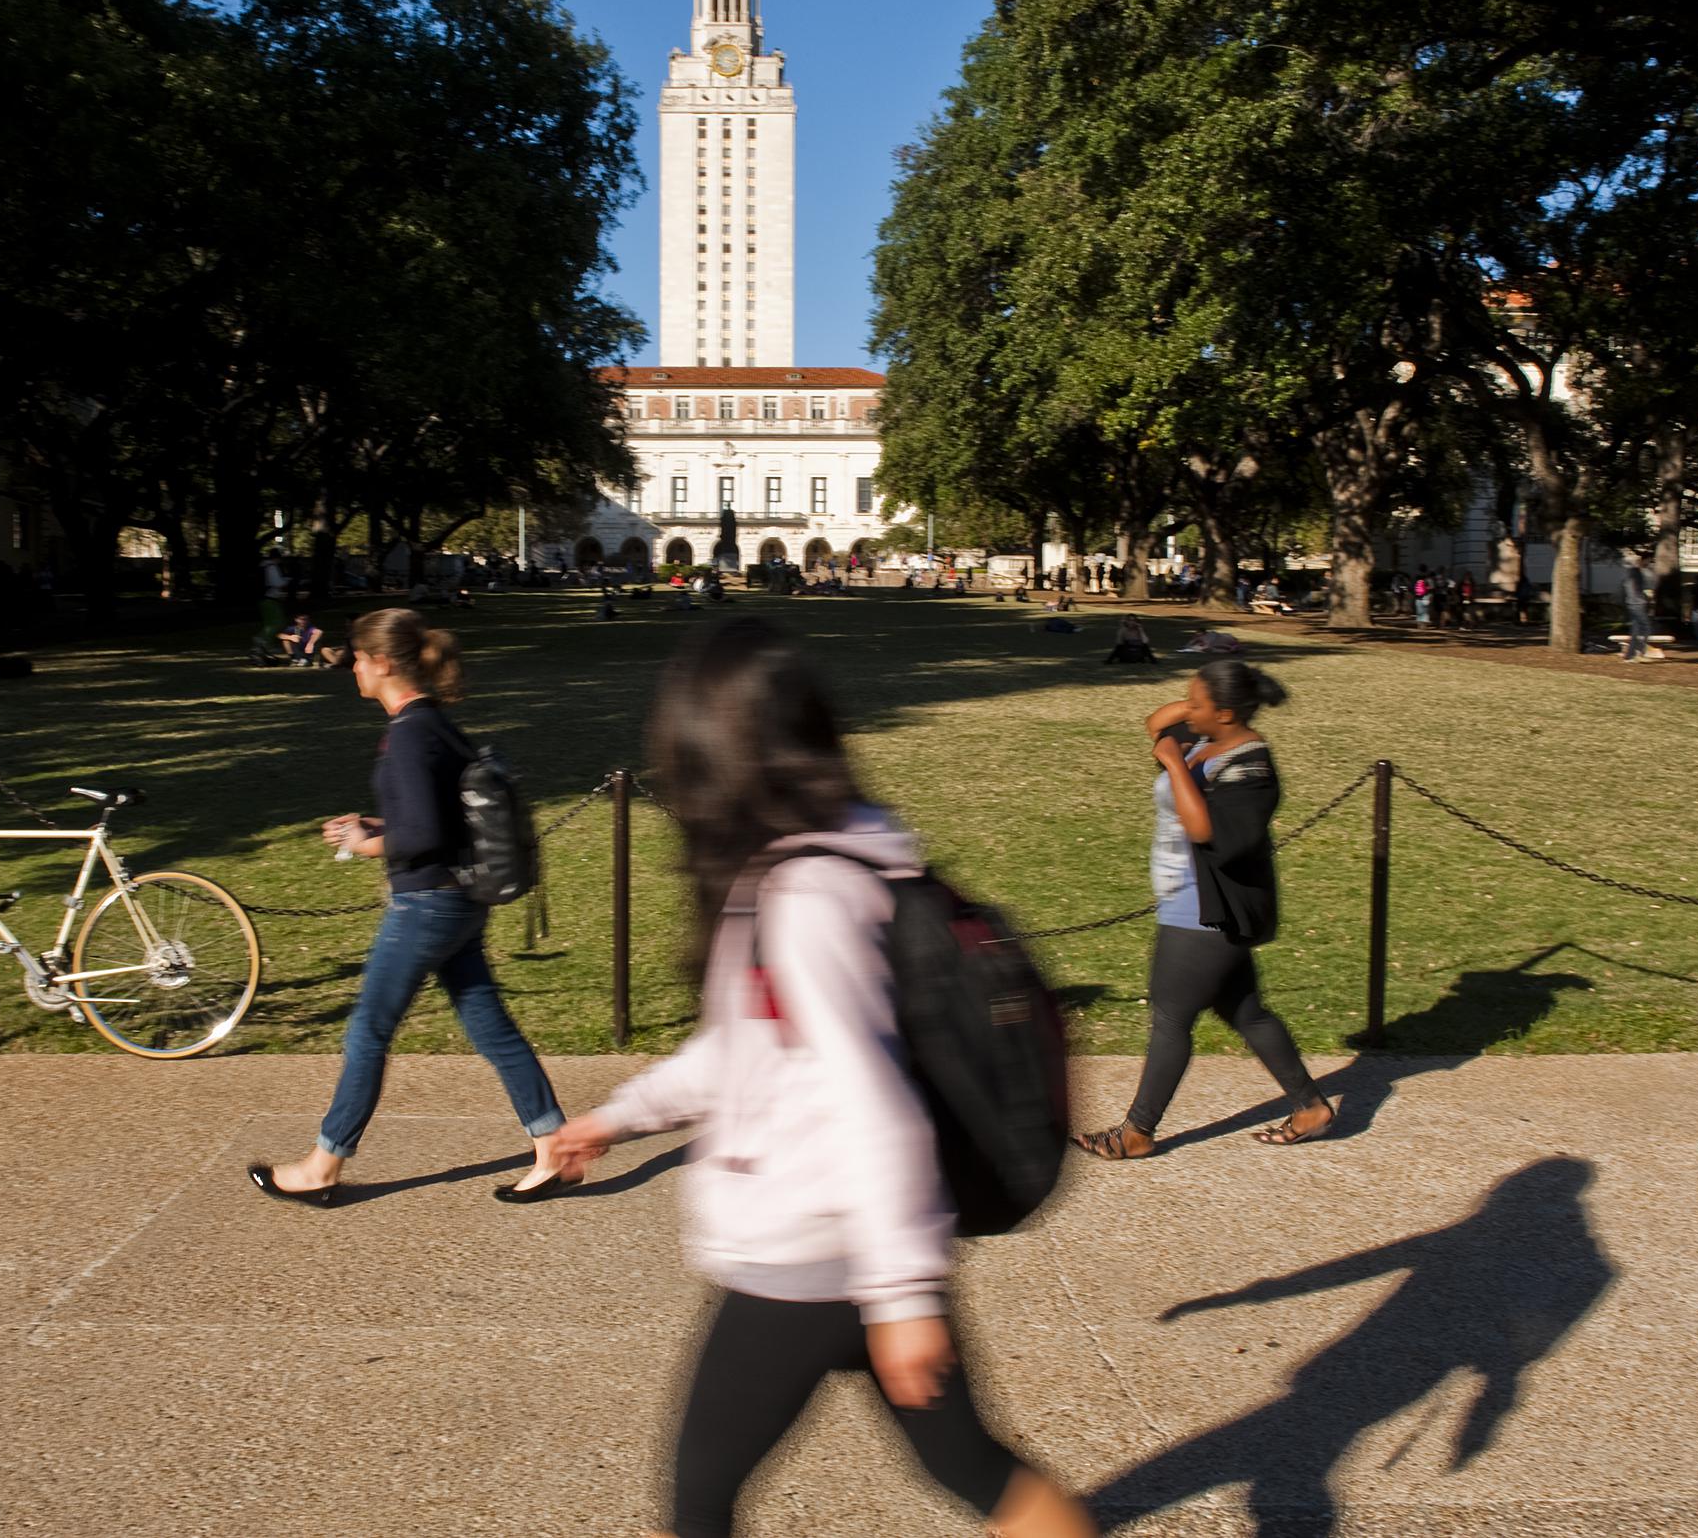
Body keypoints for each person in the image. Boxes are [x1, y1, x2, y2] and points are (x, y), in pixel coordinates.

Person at [545, 619, 1098, 1538]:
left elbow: (868, 1096)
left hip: (812, 1254)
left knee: (701, 1500)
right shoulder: (826, 862)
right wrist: (620, 1116)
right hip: (852, 1245)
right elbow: (746, 1050)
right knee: (973, 1467)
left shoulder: (806, 895)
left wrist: (902, 1293)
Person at [248, 609, 574, 1207]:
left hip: (426, 904)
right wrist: (378, 822)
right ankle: (554, 1147)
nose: (351, 666)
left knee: (368, 1030)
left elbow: (423, 833)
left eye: (357, 657)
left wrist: (365, 843)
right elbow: (443, 817)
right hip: (460, 900)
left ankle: (322, 1166)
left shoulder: (407, 733)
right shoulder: (436, 724)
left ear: (382, 663)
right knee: (490, 1026)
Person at [1072, 659, 1334, 1160]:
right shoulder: (1205, 738)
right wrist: (1198, 703)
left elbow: (1206, 832)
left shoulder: (1251, 768)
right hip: (1185, 896)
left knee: (1171, 1017)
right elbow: (1155, 722)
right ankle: (1311, 1107)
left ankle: (1137, 1131)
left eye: (1197, 705)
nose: (1185, 712)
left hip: (1204, 908)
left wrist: (1175, 765)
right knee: (1247, 1013)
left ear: (1227, 714)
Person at [1620, 553, 1653, 661]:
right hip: (1637, 603)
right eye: (1648, 561)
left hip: (1632, 603)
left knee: (1635, 630)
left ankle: (1629, 656)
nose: (1649, 563)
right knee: (1646, 628)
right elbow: (1634, 589)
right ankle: (1640, 652)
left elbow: (1627, 588)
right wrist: (1645, 596)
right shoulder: (1635, 572)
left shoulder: (1630, 572)